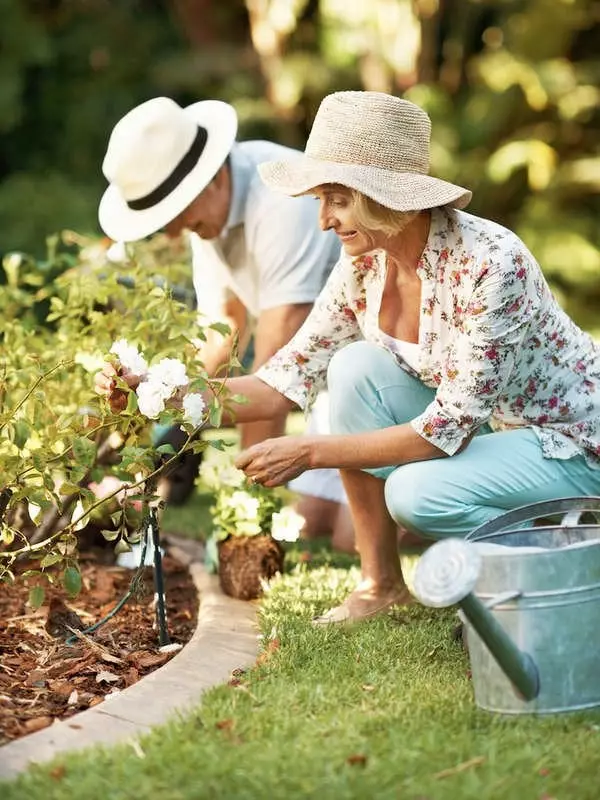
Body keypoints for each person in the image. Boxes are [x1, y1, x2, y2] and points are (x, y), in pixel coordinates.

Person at [96, 90, 600, 624]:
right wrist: (158, 396)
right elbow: (280, 382)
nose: (323, 221)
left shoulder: (493, 265)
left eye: (336, 199)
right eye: (319, 201)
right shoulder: (365, 266)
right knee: (353, 367)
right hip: (501, 435)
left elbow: (443, 431)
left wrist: (313, 451)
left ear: (387, 194)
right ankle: (380, 585)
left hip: (573, 444)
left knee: (415, 494)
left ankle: (565, 565)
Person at [98, 95, 354, 551]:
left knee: (348, 540)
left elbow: (273, 369)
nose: (173, 232)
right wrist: (157, 435)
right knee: (310, 523)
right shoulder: (210, 217)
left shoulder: (283, 201)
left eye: (176, 215)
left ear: (211, 178)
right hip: (332, 379)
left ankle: (509, 513)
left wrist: (245, 508)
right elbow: (221, 335)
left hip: (381, 364)